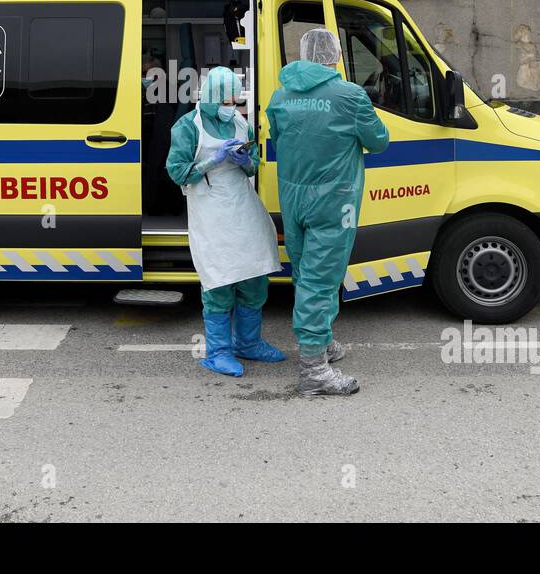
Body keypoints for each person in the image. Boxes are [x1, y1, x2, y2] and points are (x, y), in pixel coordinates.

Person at [267, 28, 390, 396]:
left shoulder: (280, 95)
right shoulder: (350, 96)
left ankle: (322, 343)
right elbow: (379, 141)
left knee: (306, 273)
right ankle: (313, 371)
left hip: (293, 197)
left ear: (304, 55)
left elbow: (277, 136)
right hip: (334, 201)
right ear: (334, 56)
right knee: (322, 280)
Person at [166, 66, 284, 377]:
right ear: (212, 97)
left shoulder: (240, 123)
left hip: (243, 209)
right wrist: (213, 160)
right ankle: (218, 352)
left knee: (254, 275)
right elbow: (177, 172)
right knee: (219, 280)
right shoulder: (187, 127)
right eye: (228, 101)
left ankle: (248, 342)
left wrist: (246, 160)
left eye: (236, 101)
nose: (233, 107)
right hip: (210, 211)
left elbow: (254, 164)